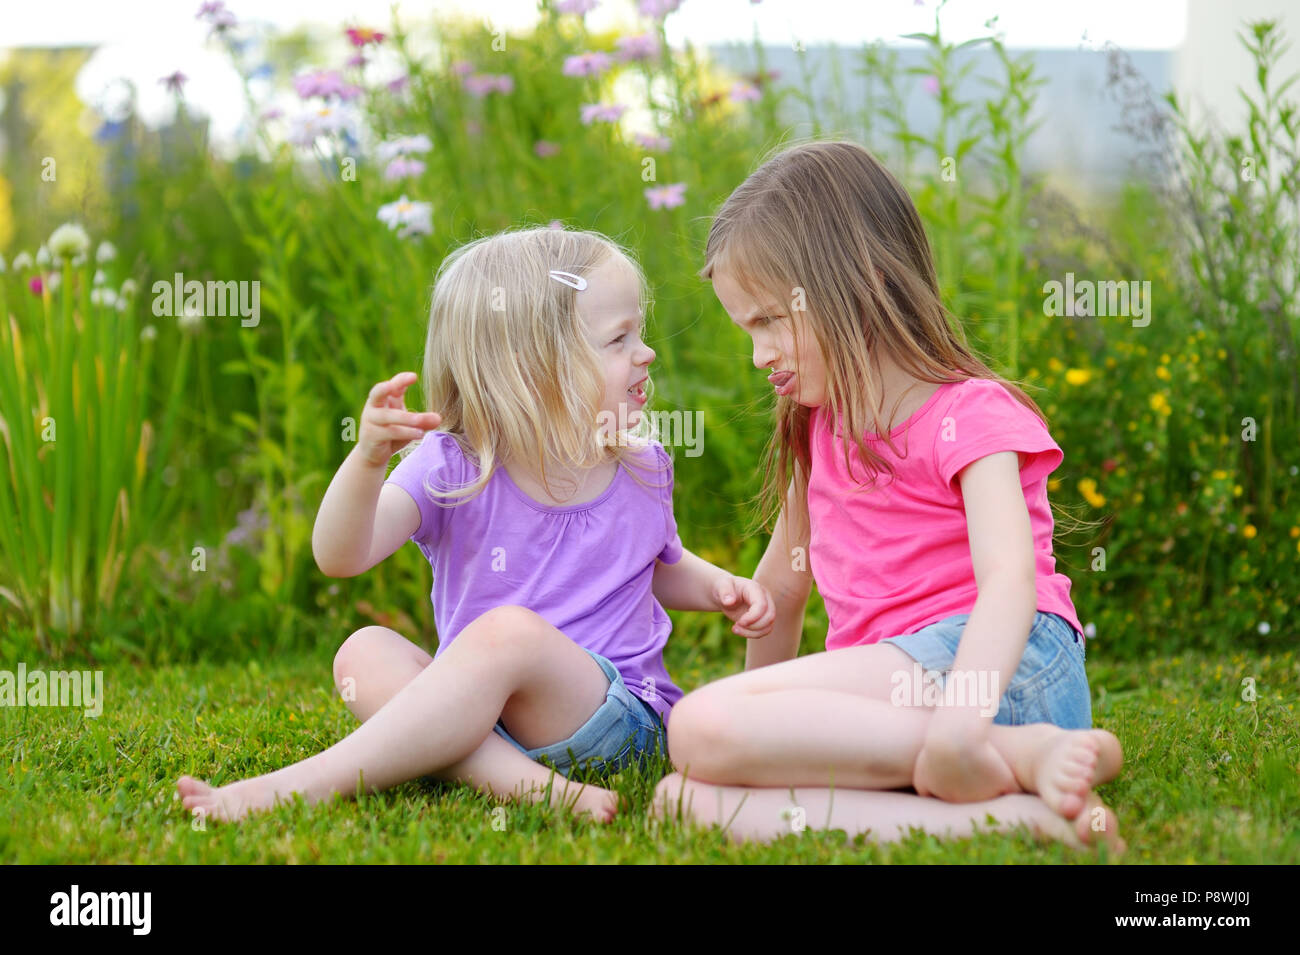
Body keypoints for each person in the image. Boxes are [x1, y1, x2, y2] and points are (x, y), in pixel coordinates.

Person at [177, 226, 774, 824]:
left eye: (637, 332)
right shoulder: (453, 467)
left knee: (505, 633)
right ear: (532, 368)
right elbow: (342, 556)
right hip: (486, 715)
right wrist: (366, 461)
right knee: (363, 650)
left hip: (615, 718)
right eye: (618, 338)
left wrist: (720, 587)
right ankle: (527, 785)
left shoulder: (640, 464)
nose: (645, 352)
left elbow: (654, 565)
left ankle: (303, 784)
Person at [652, 141, 1124, 850]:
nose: (758, 355)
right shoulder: (819, 430)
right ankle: (1017, 817)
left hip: (994, 672)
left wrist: (964, 719)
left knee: (696, 725)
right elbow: (781, 593)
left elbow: (1009, 580)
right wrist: (757, 747)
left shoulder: (974, 413)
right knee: (682, 797)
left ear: (864, 282)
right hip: (897, 709)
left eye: (768, 320)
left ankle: (1011, 751)